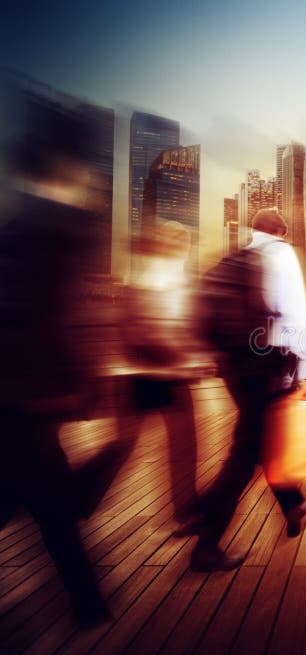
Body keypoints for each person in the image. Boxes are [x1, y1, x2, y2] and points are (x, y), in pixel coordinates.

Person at [0, 92, 116, 627]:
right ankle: (89, 605)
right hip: (28, 398)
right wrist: (81, 383)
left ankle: (89, 604)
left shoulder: (23, 227)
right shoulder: (53, 228)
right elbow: (58, 314)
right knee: (50, 505)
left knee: (40, 502)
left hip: (21, 398)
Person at [186, 208, 306, 572]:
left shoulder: (238, 257)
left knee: (260, 439)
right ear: (282, 230)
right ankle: (206, 540)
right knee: (245, 454)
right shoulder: (281, 254)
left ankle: (291, 502)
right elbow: (294, 315)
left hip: (235, 366)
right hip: (268, 364)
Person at [115, 221, 208, 523]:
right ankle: (185, 512)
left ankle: (186, 510)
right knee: (183, 445)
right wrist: (187, 358)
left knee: (126, 446)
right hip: (166, 376)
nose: (184, 248)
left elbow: (169, 325)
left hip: (142, 373)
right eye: (182, 243)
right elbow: (157, 328)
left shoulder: (148, 272)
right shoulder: (163, 275)